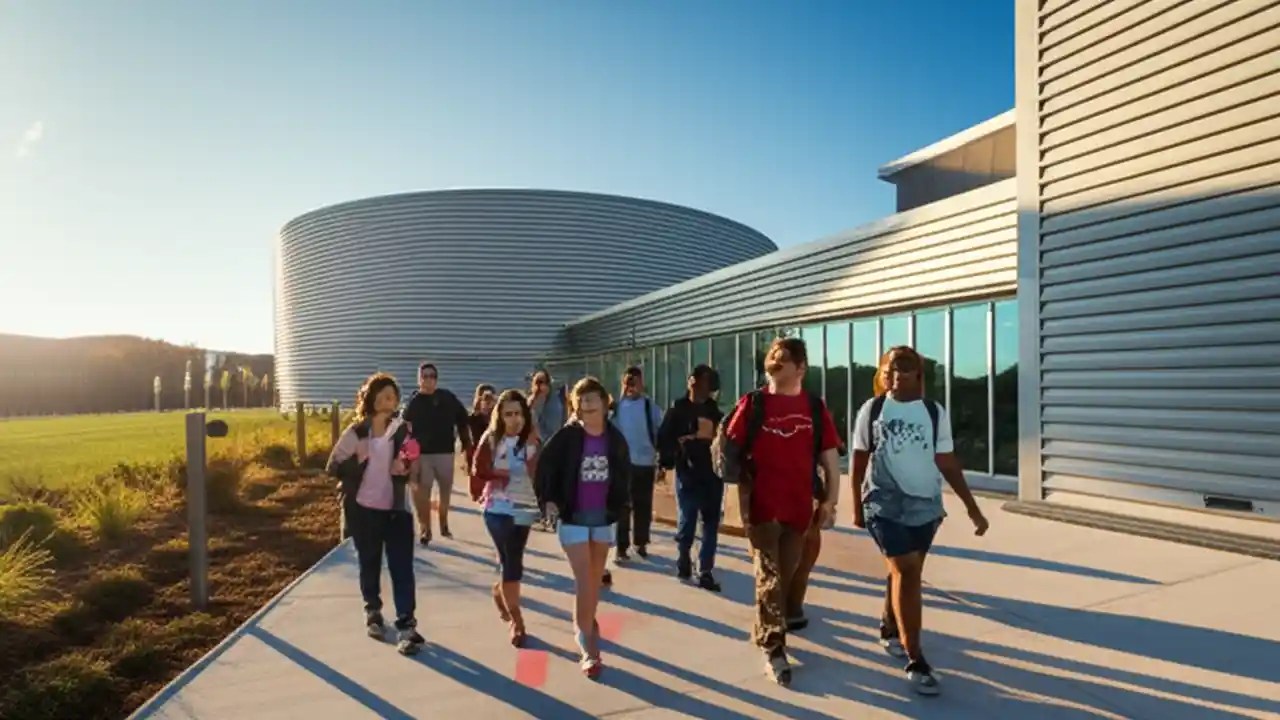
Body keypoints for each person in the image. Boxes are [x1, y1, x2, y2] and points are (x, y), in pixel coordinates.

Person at [852, 345, 989, 696]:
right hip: (883, 502)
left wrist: (971, 506)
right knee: (907, 571)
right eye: (890, 371)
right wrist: (855, 506)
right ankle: (916, 660)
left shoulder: (933, 412)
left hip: (925, 504)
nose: (897, 378)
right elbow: (858, 459)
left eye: (905, 370)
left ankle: (889, 625)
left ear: (918, 375)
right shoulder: (873, 409)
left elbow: (946, 461)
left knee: (904, 573)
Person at [724, 338, 840, 686]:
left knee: (786, 576)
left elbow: (831, 462)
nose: (775, 360)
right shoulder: (753, 404)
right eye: (772, 355)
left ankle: (766, 628)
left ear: (800, 368)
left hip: (798, 509)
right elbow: (729, 452)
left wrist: (830, 503)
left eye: (784, 358)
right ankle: (774, 648)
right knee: (769, 576)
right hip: (761, 508)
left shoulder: (815, 409)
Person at [535, 377, 631, 680]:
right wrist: (548, 501)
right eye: (582, 399)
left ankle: (587, 623)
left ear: (605, 403)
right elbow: (545, 466)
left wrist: (622, 507)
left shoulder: (614, 438)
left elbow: (624, 475)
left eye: (593, 398)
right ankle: (588, 644)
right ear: (575, 405)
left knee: (594, 579)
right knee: (585, 579)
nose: (588, 404)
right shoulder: (567, 437)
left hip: (602, 517)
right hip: (573, 516)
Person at [325, 372, 426, 656]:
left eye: (392, 396)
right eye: (382, 395)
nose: (388, 400)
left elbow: (412, 461)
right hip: (363, 509)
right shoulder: (357, 432)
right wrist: (360, 461)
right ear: (371, 399)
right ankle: (373, 612)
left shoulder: (403, 430)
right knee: (369, 562)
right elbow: (333, 465)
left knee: (402, 567)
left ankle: (406, 624)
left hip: (395, 509)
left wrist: (406, 466)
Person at [471, 389, 540, 648]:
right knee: (510, 560)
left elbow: (541, 471)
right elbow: (479, 468)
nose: (514, 419)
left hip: (524, 505)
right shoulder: (492, 439)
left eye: (518, 414)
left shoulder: (532, 441)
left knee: (513, 560)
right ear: (500, 416)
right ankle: (517, 621)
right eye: (508, 414)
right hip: (496, 507)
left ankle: (501, 592)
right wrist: (500, 474)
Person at [657, 364, 725, 592]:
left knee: (710, 524)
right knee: (687, 518)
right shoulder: (677, 410)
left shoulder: (717, 414)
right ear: (690, 382)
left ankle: (705, 570)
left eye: (706, 383)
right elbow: (663, 439)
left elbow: (725, 444)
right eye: (697, 380)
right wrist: (674, 452)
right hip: (687, 472)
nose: (700, 386)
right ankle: (684, 555)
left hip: (712, 475)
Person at [402, 362, 472, 545]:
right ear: (419, 379)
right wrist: (409, 455)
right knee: (422, 493)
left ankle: (443, 522)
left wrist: (466, 443)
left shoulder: (447, 397)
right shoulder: (414, 402)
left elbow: (463, 418)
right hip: (423, 455)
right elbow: (405, 428)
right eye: (425, 376)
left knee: (445, 493)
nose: (429, 380)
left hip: (445, 453)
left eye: (432, 376)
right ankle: (426, 528)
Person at [609, 366, 663, 563]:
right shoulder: (617, 408)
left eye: (635, 381)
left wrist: (661, 459)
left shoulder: (650, 406)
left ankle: (640, 542)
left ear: (642, 382)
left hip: (646, 462)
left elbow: (659, 430)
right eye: (628, 381)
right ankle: (621, 546)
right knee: (623, 506)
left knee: (643, 504)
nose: (632, 385)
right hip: (624, 464)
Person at [466, 384, 498, 502]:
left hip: (492, 450)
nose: (488, 404)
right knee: (477, 474)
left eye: (491, 400)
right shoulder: (473, 418)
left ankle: (487, 493)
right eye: (485, 399)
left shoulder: (495, 418)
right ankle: (478, 493)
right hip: (476, 449)